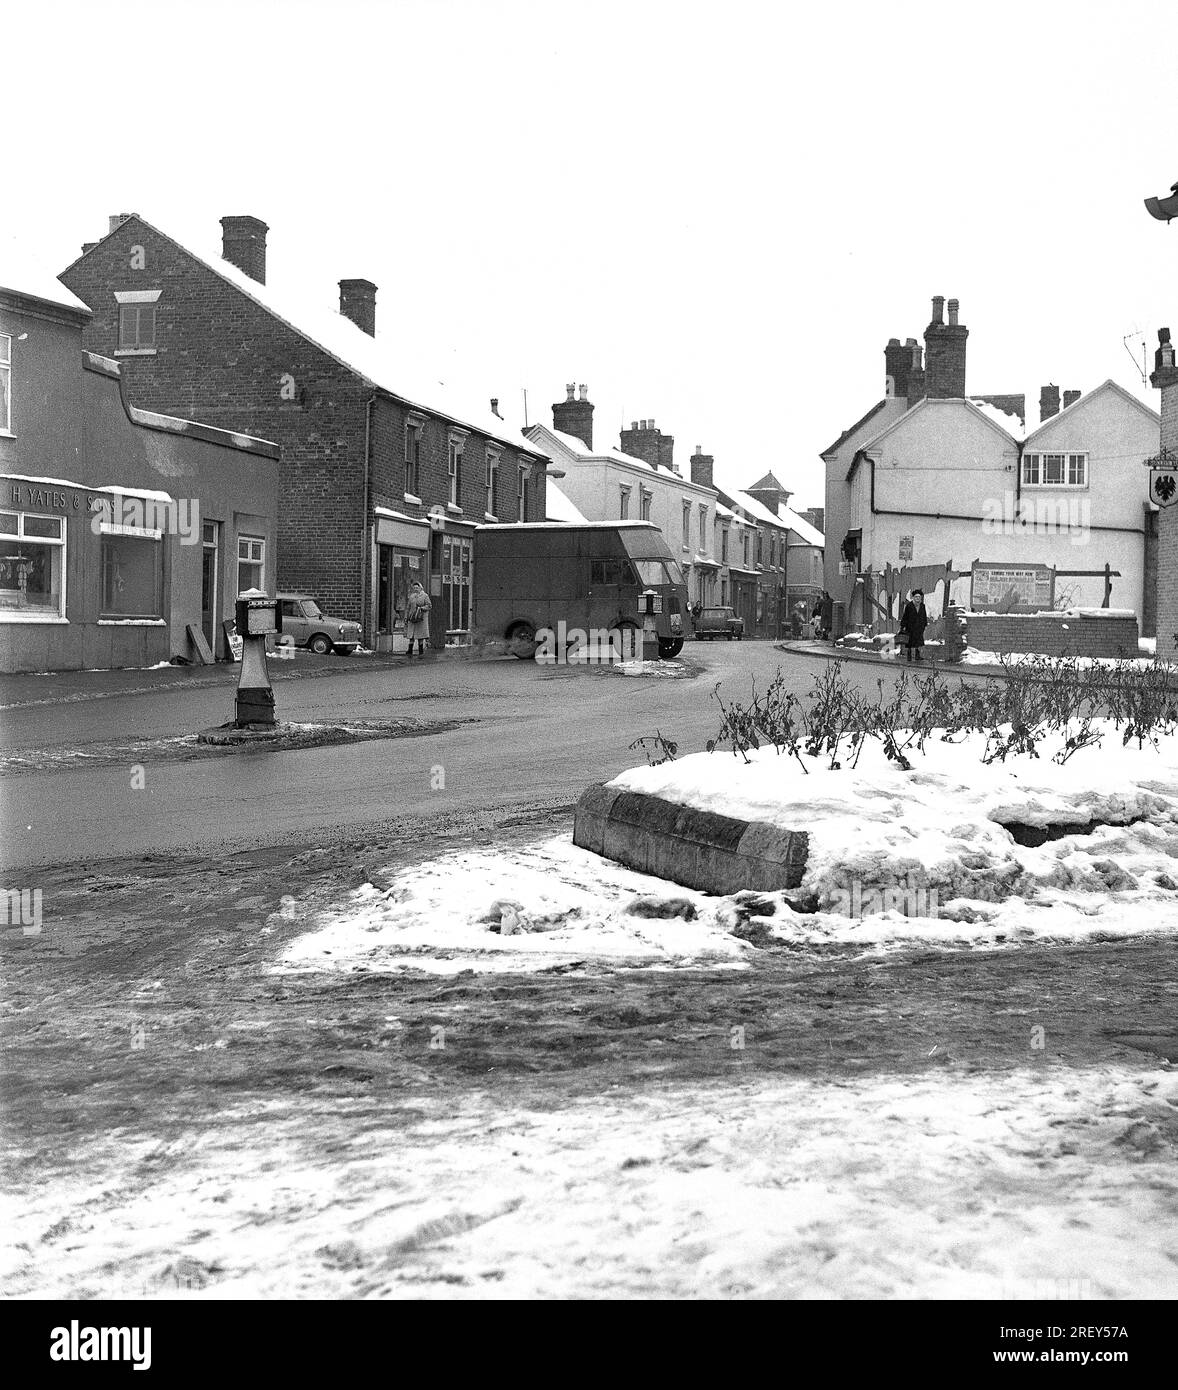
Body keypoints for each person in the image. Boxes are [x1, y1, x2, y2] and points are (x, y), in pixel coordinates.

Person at [898, 588, 927, 662]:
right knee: (910, 642)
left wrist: (924, 624)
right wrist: (902, 626)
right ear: (913, 597)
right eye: (916, 597)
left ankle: (917, 655)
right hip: (910, 627)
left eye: (919, 597)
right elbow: (905, 616)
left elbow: (924, 615)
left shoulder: (922, 606)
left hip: (919, 627)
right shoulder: (909, 606)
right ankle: (909, 655)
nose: (918, 598)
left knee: (918, 642)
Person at [405, 580, 432, 658]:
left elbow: (429, 605)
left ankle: (421, 651)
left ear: (420, 588)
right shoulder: (412, 596)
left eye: (417, 587)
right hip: (412, 618)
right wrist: (406, 617)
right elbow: (408, 607)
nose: (416, 589)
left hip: (421, 619)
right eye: (414, 588)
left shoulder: (425, 596)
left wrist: (421, 608)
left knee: (420, 636)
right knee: (411, 635)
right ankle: (409, 650)